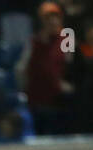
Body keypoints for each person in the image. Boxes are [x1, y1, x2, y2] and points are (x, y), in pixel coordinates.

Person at [17, 1, 73, 134]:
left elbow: (72, 67)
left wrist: (68, 85)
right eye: (47, 18)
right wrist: (25, 87)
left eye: (55, 17)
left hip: (60, 102)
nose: (52, 21)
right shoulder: (33, 42)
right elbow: (21, 69)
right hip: (37, 102)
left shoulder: (67, 39)